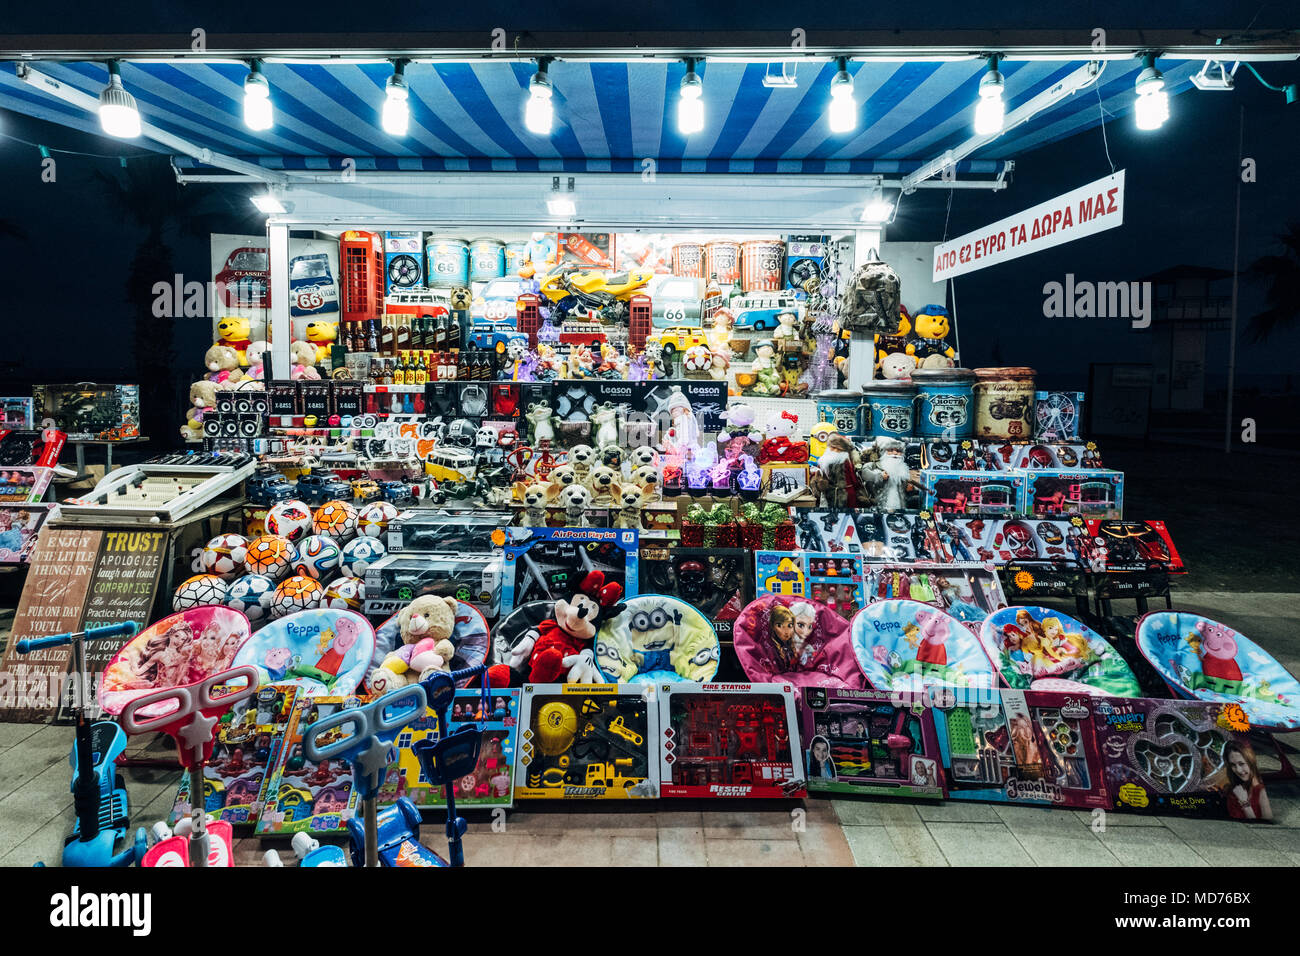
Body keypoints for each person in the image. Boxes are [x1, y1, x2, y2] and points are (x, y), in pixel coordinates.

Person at [1223, 741, 1272, 821]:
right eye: (1233, 765)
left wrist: (1245, 803)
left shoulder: (1262, 791)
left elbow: (1266, 828)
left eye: (1241, 764)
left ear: (1251, 761)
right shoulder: (1235, 788)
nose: (1238, 770)